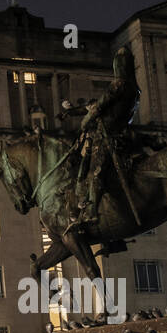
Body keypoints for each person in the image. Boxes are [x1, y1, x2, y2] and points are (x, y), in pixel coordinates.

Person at [60, 46, 143, 236]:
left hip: (107, 135)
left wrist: (85, 121)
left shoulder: (118, 85)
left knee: (96, 171)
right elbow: (97, 106)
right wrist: (77, 111)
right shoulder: (135, 90)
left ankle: (91, 211)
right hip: (123, 134)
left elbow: (99, 107)